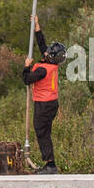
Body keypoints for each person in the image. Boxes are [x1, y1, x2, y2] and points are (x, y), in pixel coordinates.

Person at [22, 13, 64, 174]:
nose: (45, 52)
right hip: (51, 103)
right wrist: (37, 26)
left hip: (44, 104)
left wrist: (26, 66)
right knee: (44, 132)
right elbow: (42, 45)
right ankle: (49, 163)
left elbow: (26, 79)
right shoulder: (52, 64)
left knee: (42, 132)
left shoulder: (42, 70)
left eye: (48, 52)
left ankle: (50, 165)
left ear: (50, 57)